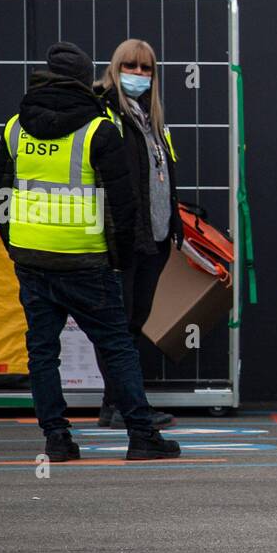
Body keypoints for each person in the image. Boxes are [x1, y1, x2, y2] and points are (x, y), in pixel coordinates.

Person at [0, 41, 181, 462]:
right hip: (87, 260)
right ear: (84, 79)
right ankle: (141, 435)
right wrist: (119, 258)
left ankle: (57, 439)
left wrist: (15, 244)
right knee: (117, 346)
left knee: (41, 351)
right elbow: (123, 203)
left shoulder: (15, 128)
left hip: (32, 259)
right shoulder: (98, 130)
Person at [93, 39, 184, 429]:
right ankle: (124, 407)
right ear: (116, 67)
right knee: (119, 324)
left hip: (155, 237)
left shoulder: (152, 118)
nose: (139, 74)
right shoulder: (105, 112)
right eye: (130, 66)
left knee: (134, 321)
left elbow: (162, 175)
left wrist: (174, 221)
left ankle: (117, 404)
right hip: (123, 240)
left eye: (146, 68)